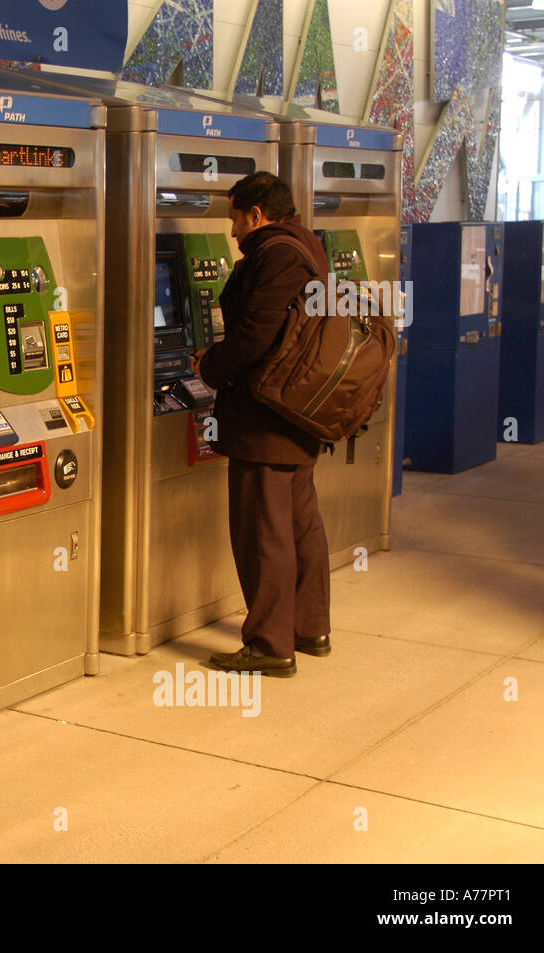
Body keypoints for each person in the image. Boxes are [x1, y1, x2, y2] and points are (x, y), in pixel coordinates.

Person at [193, 171, 332, 678]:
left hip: (267, 418)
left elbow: (256, 337)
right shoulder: (307, 246)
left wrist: (208, 365)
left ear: (256, 214)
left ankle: (271, 645)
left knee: (264, 531)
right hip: (299, 409)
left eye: (233, 217)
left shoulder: (274, 255)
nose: (231, 231)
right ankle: (308, 627)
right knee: (299, 524)